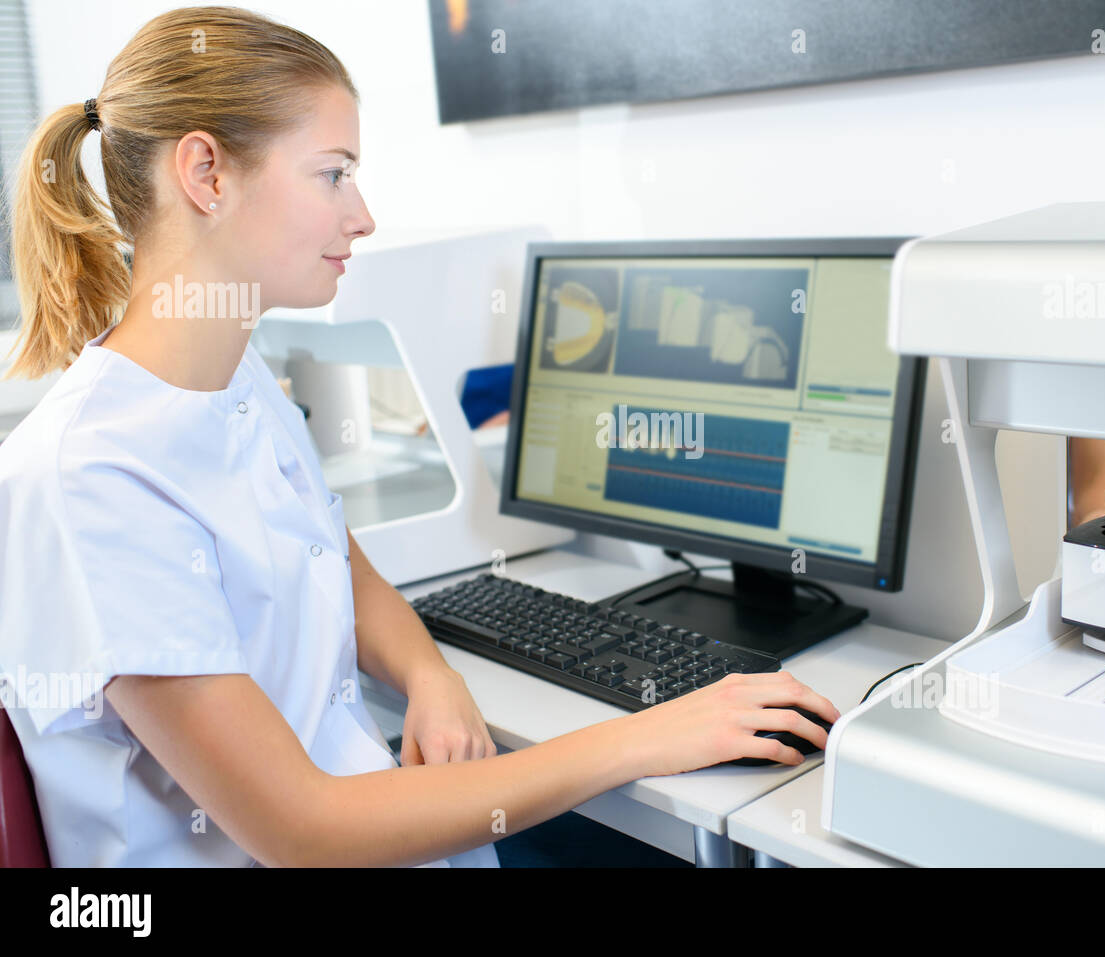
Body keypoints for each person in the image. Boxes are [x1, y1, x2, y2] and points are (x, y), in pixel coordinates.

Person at [0, 6, 838, 867]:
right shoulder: (91, 473)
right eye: (333, 175)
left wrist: (429, 673)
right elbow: (303, 830)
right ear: (207, 173)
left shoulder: (232, 376)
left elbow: (329, 549)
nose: (360, 215)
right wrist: (647, 736)